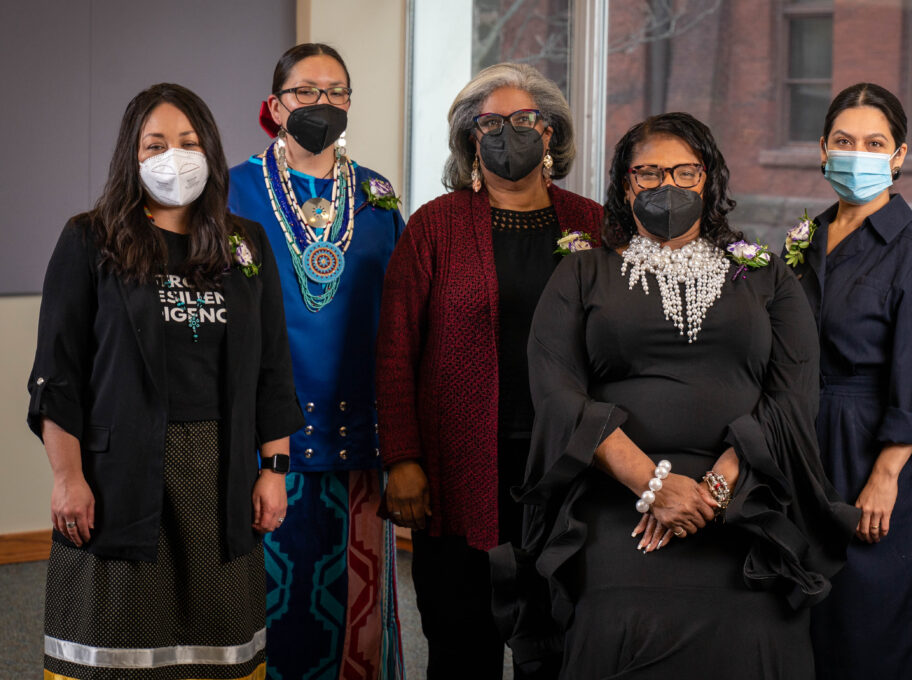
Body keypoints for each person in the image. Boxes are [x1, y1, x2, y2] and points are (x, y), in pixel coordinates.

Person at [496, 111, 857, 678]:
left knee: (759, 624)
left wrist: (713, 488)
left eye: (685, 173)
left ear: (709, 180)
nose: (668, 187)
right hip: (616, 494)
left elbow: (792, 398)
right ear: (624, 185)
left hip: (744, 493)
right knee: (615, 616)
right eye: (649, 174)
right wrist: (653, 485)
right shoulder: (582, 273)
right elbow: (557, 392)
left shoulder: (767, 277)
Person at [28, 83, 303, 680]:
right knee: (115, 647)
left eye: (187, 142)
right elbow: (56, 375)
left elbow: (273, 369)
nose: (173, 157)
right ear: (132, 154)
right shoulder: (88, 239)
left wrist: (274, 471)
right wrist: (67, 477)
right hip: (118, 470)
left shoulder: (245, 243)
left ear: (209, 149)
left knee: (220, 643)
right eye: (155, 144)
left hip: (219, 469)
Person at [375, 62, 602, 679]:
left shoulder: (594, 223)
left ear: (550, 132)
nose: (509, 133)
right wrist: (401, 459)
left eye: (524, 120)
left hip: (565, 468)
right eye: (491, 123)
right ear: (471, 139)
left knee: (559, 639)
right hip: (456, 467)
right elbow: (396, 349)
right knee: (459, 643)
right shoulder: (434, 227)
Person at [228, 43, 405, 679]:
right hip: (264, 438)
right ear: (276, 105)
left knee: (353, 612)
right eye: (306, 91)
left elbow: (403, 313)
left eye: (335, 92)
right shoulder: (234, 189)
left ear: (350, 103)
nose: (321, 103)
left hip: (359, 436)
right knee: (267, 609)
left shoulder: (378, 197)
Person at [781, 82, 912, 679]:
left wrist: (885, 476)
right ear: (823, 149)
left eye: (875, 142)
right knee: (805, 626)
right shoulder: (803, 242)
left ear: (899, 155)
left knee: (872, 628)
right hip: (804, 444)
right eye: (845, 140)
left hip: (874, 453)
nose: (858, 152)